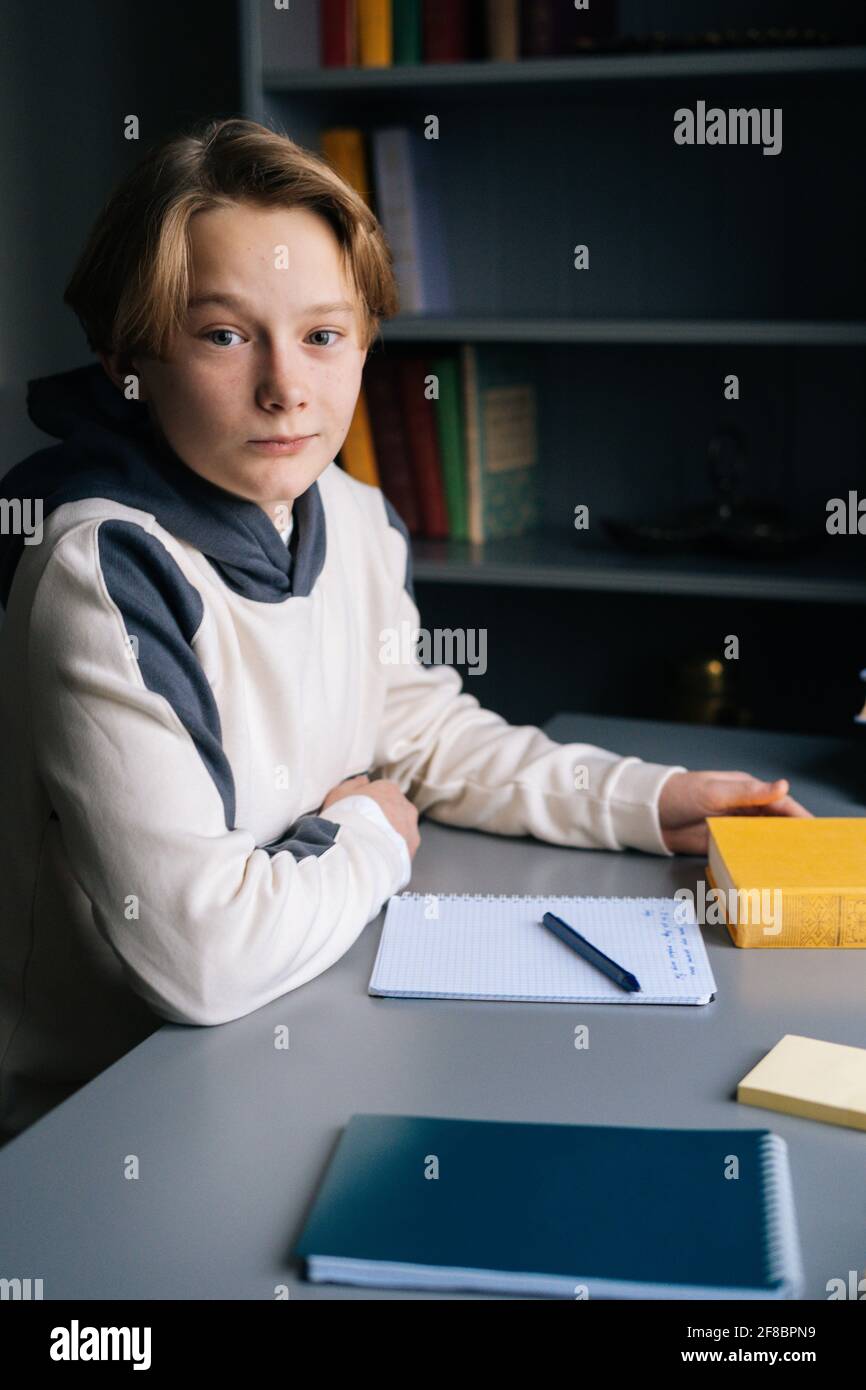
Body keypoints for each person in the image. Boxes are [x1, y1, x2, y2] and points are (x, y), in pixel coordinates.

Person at [0, 118, 809, 1143]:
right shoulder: (106, 569)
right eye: (222, 334)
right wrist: (370, 833)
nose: (286, 385)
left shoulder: (344, 512)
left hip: (296, 1031)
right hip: (105, 1121)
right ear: (129, 360)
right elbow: (199, 959)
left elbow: (420, 734)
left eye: (322, 334)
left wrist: (647, 800)